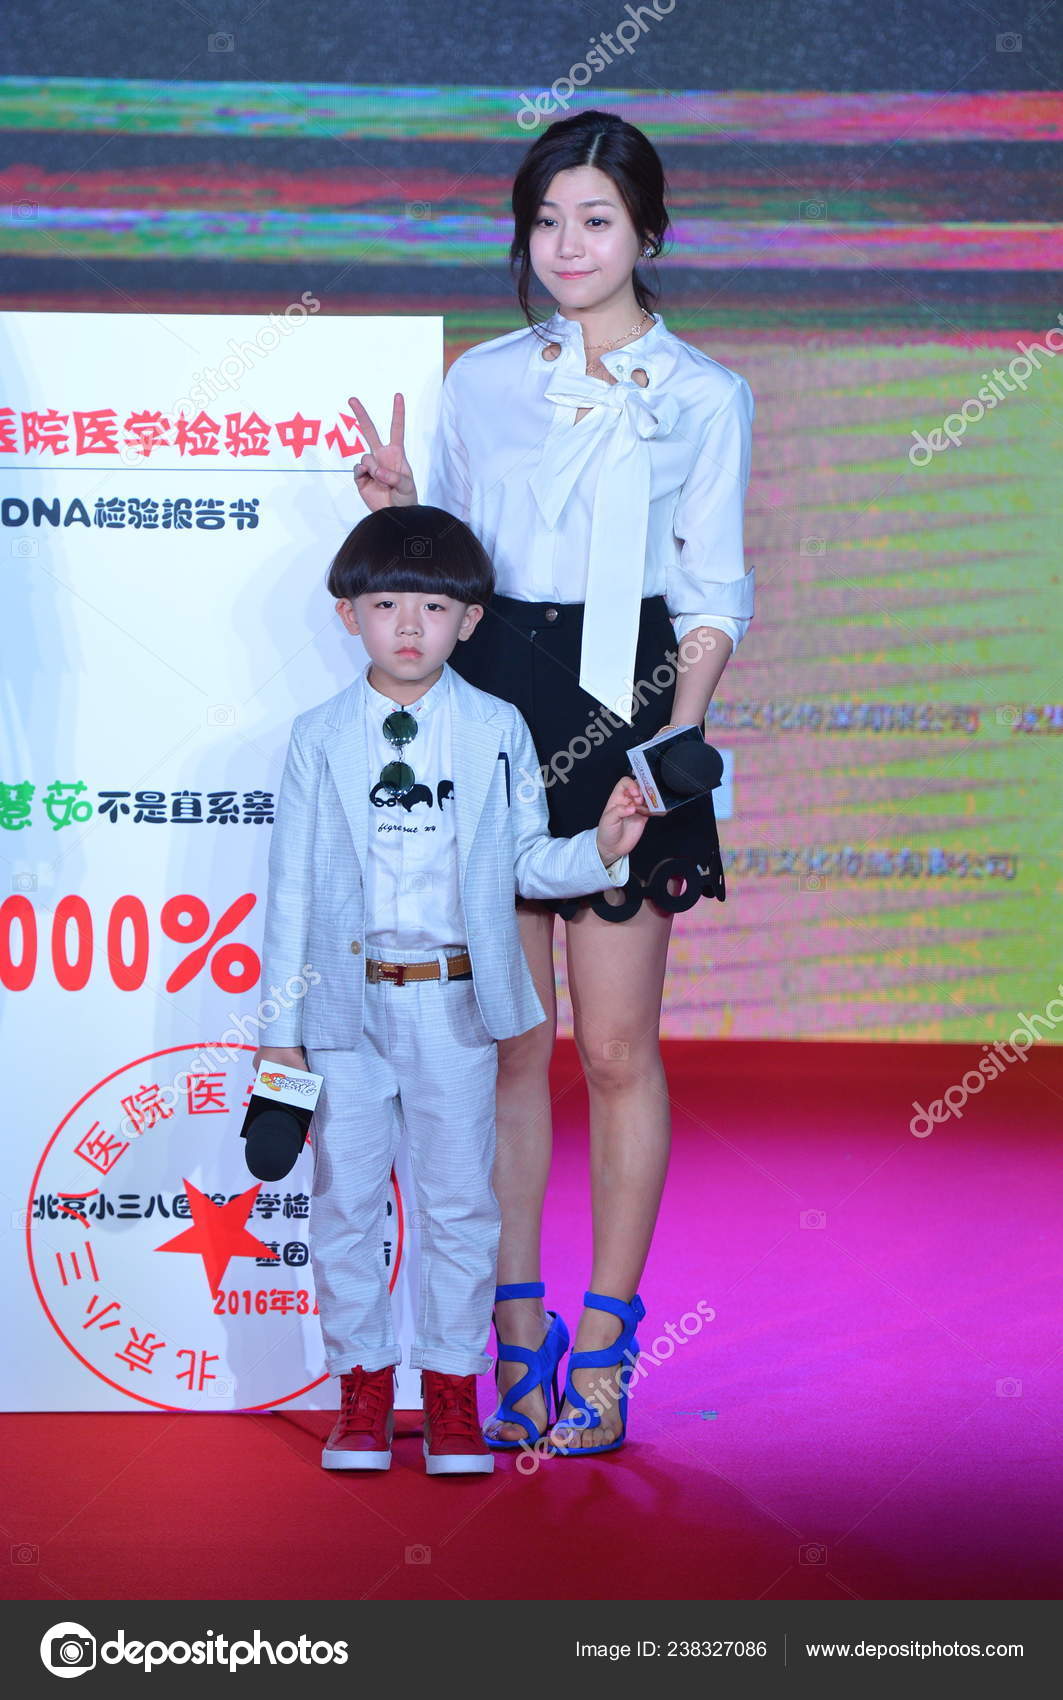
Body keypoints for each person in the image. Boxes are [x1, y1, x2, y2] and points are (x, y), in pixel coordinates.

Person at [347, 108, 755, 1454]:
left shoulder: (705, 395)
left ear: (647, 232)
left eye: (595, 220)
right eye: (545, 221)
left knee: (615, 1047)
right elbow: (463, 565)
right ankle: (509, 1321)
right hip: (497, 702)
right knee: (509, 1044)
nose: (568, 245)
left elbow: (710, 592)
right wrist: (402, 509)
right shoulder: (478, 380)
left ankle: (608, 1343)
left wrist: (673, 743)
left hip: (631, 701)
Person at [254, 502, 650, 1474]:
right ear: (347, 613)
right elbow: (291, 889)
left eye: (432, 608)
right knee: (347, 1203)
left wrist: (598, 848)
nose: (408, 625)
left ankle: (452, 1393)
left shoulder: (495, 728)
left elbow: (523, 860)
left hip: (456, 1005)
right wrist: (281, 1034)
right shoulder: (317, 736)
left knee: (460, 1206)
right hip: (343, 1009)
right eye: (386, 604)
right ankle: (359, 1391)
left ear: (469, 620)